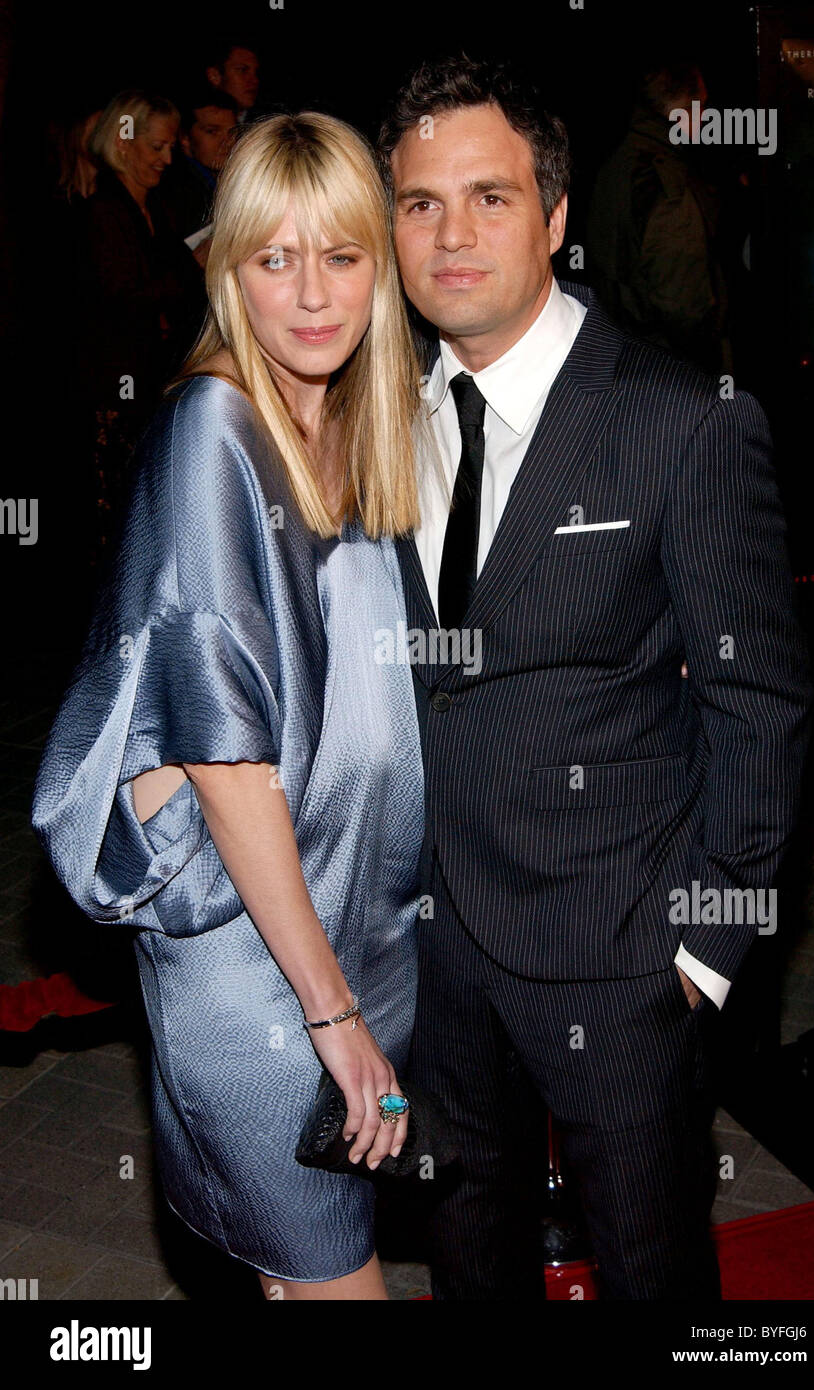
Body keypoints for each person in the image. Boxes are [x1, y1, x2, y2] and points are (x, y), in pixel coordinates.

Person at [377, 54, 813, 1300]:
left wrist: (703, 953)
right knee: (469, 1261)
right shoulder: (379, 414)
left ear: (555, 218)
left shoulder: (680, 422)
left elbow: (759, 700)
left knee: (647, 1272)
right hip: (437, 949)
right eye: (418, 203)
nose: (450, 234)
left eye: (489, 197)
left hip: (623, 958)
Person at [32, 112, 426, 1300]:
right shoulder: (212, 434)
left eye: (342, 255)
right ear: (228, 269)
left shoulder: (354, 421)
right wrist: (329, 1012)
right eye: (274, 259)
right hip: (259, 971)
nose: (312, 294)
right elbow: (225, 759)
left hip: (354, 923)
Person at [78, 91, 206, 564]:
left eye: (171, 147)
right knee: (113, 514)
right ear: (123, 142)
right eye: (156, 147)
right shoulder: (104, 211)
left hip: (147, 382)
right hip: (113, 388)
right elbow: (121, 298)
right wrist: (193, 267)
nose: (167, 158)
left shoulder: (155, 209)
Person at [586, 61, 732, 377]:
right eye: (702, 107)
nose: (706, 118)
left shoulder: (616, 164)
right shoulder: (667, 182)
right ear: (683, 108)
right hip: (670, 369)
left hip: (623, 358)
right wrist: (708, 362)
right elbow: (682, 303)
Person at [160, 87, 239, 244]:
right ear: (185, 139)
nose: (227, 142)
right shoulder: (175, 191)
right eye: (212, 132)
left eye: (232, 132)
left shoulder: (231, 179)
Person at [205, 40, 260, 122]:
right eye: (242, 70)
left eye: (256, 73)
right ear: (215, 76)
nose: (255, 80)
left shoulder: (265, 121)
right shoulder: (193, 120)